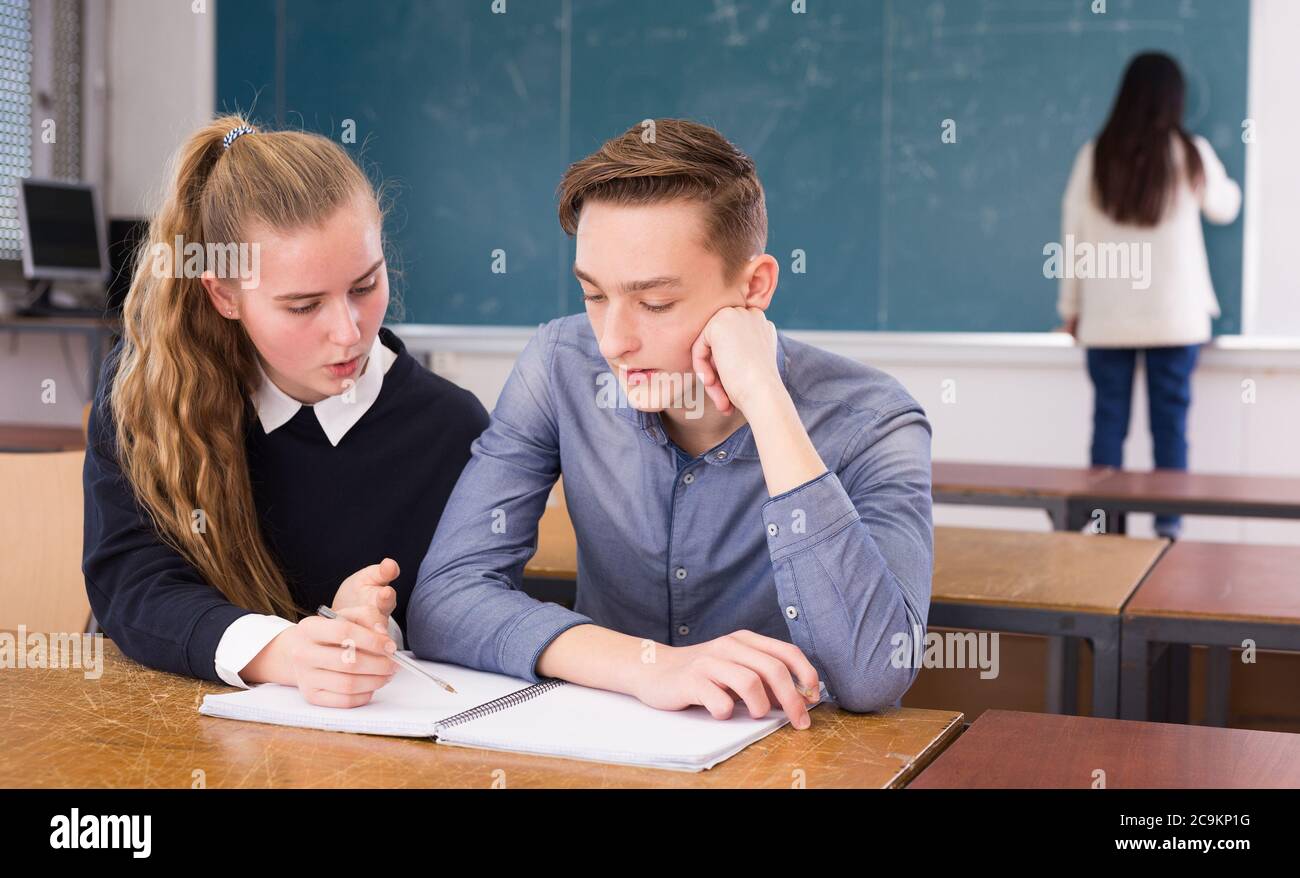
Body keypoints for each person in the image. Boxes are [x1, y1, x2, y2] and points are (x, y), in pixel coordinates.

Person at [408, 119, 933, 726]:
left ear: (755, 286)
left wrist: (766, 401)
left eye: (655, 303)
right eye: (594, 295)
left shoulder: (875, 419)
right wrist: (649, 665)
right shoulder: (560, 365)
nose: (614, 341)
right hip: (608, 748)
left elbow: (871, 674)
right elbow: (445, 600)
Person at [83, 115, 488, 707]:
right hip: (171, 733)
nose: (348, 333)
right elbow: (132, 584)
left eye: (365, 285)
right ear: (223, 294)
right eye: (303, 306)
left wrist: (375, 625)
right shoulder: (146, 393)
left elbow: (468, 602)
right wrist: (285, 653)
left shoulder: (452, 430)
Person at [1057, 52, 1242, 539]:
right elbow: (1225, 207)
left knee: (1108, 426)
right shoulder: (1191, 154)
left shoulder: (1095, 154)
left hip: (1107, 318)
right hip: (1175, 318)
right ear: (1174, 100)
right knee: (1170, 429)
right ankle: (1169, 531)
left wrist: (1070, 309)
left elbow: (1073, 237)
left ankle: (1106, 533)